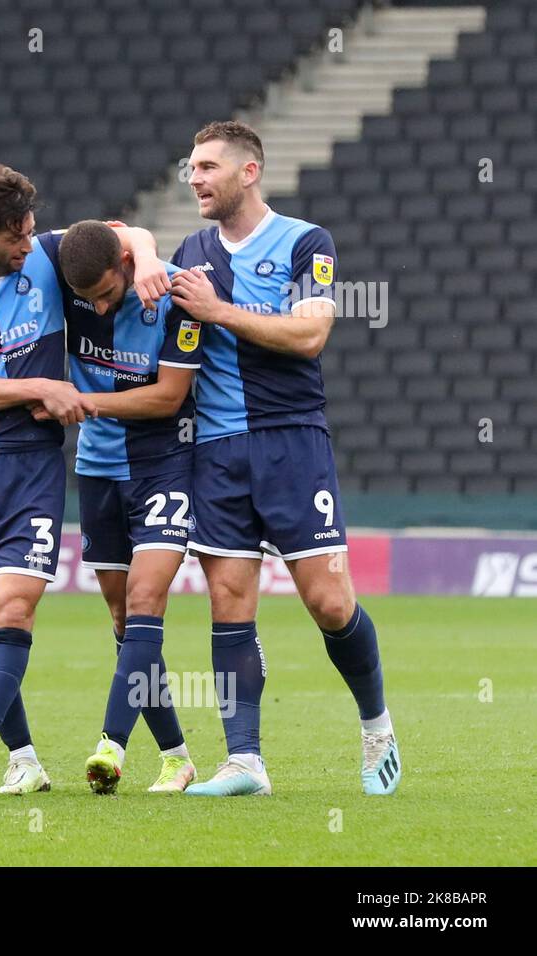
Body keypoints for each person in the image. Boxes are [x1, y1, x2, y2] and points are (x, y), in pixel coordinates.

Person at [0, 217, 199, 793]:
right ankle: (175, 755)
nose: (94, 310)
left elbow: (170, 397)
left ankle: (110, 747)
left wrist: (145, 254)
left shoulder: (169, 293)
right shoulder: (60, 272)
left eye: (104, 296)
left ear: (123, 267)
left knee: (145, 604)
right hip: (97, 469)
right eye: (85, 300)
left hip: (163, 464)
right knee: (123, 621)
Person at [167, 120, 399, 796]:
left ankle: (376, 723)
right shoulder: (190, 249)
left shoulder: (305, 241)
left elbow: (309, 334)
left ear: (248, 172)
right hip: (215, 450)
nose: (195, 178)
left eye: (208, 166)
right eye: (190, 168)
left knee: (329, 603)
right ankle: (245, 761)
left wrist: (221, 309)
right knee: (229, 601)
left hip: (291, 442)